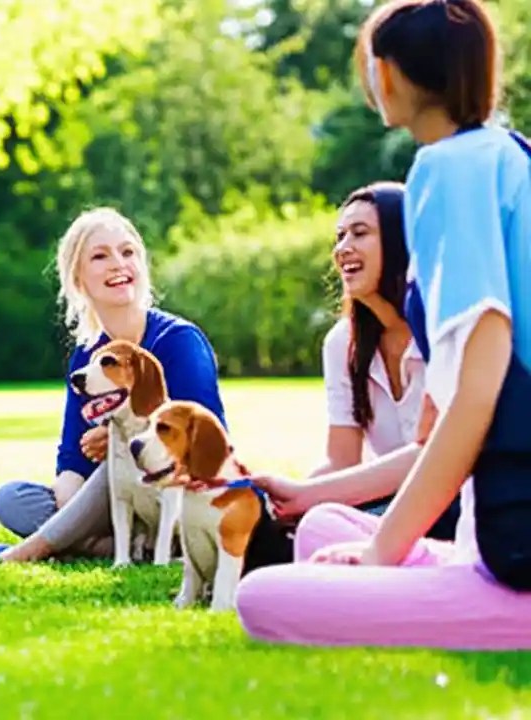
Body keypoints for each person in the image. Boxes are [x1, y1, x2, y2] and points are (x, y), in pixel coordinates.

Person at [236, 0, 531, 649]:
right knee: (319, 530)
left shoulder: (451, 170)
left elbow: (479, 391)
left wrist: (380, 556)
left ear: (388, 75)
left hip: (513, 560)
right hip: (494, 523)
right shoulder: (504, 155)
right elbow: (442, 416)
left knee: (261, 596)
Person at [0, 207, 227, 563]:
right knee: (12, 499)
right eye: (100, 256)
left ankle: (37, 549)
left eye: (128, 252)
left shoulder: (179, 341)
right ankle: (113, 546)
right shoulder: (88, 358)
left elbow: (205, 444)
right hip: (117, 498)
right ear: (78, 279)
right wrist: (74, 510)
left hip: (179, 494)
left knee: (119, 453)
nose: (118, 263)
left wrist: (128, 434)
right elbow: (71, 461)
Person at [289, 182, 457, 539]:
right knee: (304, 527)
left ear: (400, 242)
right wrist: (274, 500)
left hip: (459, 501)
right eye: (339, 236)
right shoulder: (342, 344)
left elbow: (432, 459)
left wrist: (305, 497)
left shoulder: (446, 334)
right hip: (392, 502)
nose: (342, 248)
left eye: (359, 233)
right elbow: (341, 460)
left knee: (324, 525)